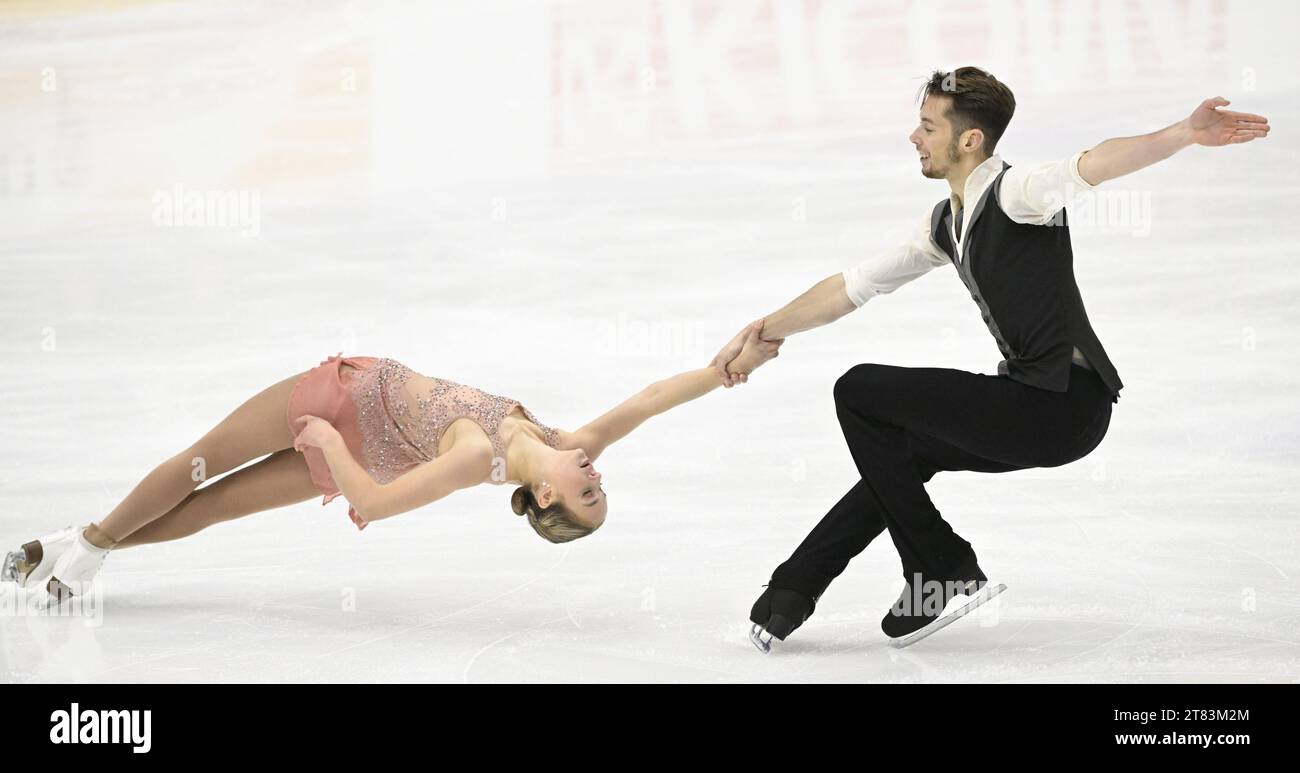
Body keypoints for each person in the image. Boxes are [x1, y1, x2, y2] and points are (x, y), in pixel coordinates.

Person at [712, 66, 1270, 648]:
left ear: (969, 139)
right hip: (1039, 408)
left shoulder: (1018, 193)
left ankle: (941, 565)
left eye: (927, 126)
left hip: (1060, 405)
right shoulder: (946, 223)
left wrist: (1183, 132)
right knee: (898, 452)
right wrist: (763, 334)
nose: (914, 137)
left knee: (859, 391)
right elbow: (852, 287)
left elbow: (1095, 163)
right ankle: (795, 589)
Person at [5, 325, 784, 600]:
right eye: (598, 488)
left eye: (588, 496)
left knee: (209, 505)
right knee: (201, 466)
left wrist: (328, 442)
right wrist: (729, 368)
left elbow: (371, 504)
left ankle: (85, 544)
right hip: (345, 393)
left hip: (342, 429)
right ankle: (87, 544)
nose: (597, 476)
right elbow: (650, 398)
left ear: (547, 493)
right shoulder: (569, 438)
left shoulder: (476, 454)